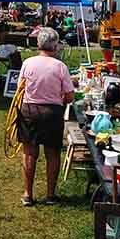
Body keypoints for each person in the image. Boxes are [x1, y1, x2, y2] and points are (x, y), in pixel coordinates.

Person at [17, 27, 74, 206]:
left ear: (39, 44)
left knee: (29, 153)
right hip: (52, 113)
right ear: (55, 45)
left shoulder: (28, 62)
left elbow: (20, 87)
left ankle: (28, 194)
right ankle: (50, 195)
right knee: (52, 153)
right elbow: (70, 96)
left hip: (29, 110)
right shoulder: (60, 66)